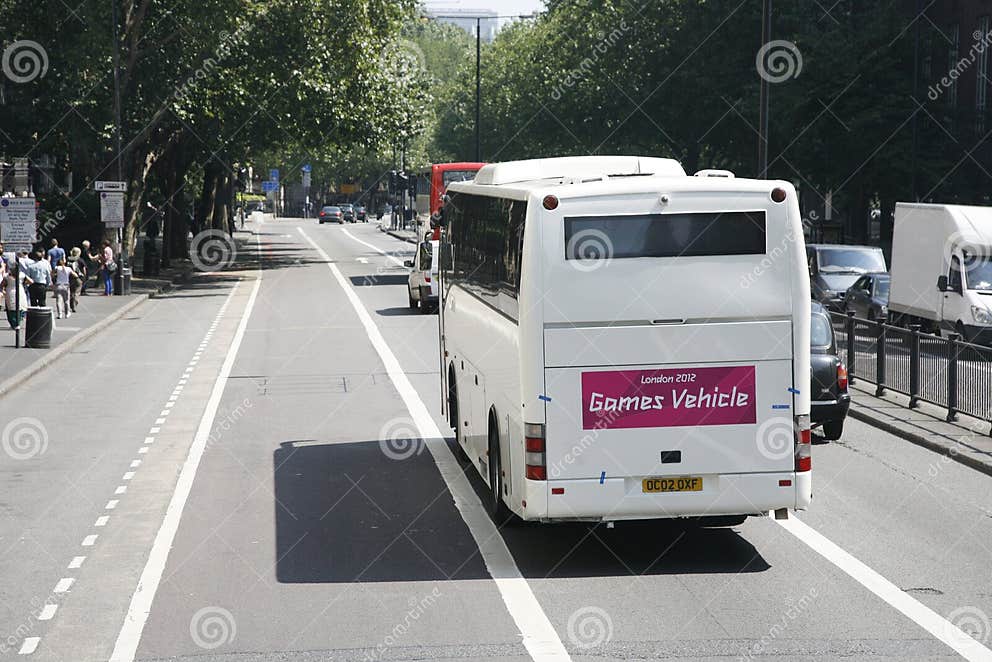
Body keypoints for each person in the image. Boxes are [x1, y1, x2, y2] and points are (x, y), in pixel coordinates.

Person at [2, 258, 32, 329]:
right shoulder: (22, 275)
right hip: (20, 290)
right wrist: (24, 283)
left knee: (11, 308)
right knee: (20, 306)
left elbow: (2, 284)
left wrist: (3, 289)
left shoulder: (7, 276)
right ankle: (18, 323)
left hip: (10, 291)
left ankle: (13, 324)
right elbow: (31, 281)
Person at [68, 247, 85, 312]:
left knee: (71, 292)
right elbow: (84, 269)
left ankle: (71, 304)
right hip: (78, 277)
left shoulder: (68, 259)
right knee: (77, 292)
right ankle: (75, 304)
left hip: (70, 277)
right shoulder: (80, 260)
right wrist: (84, 276)